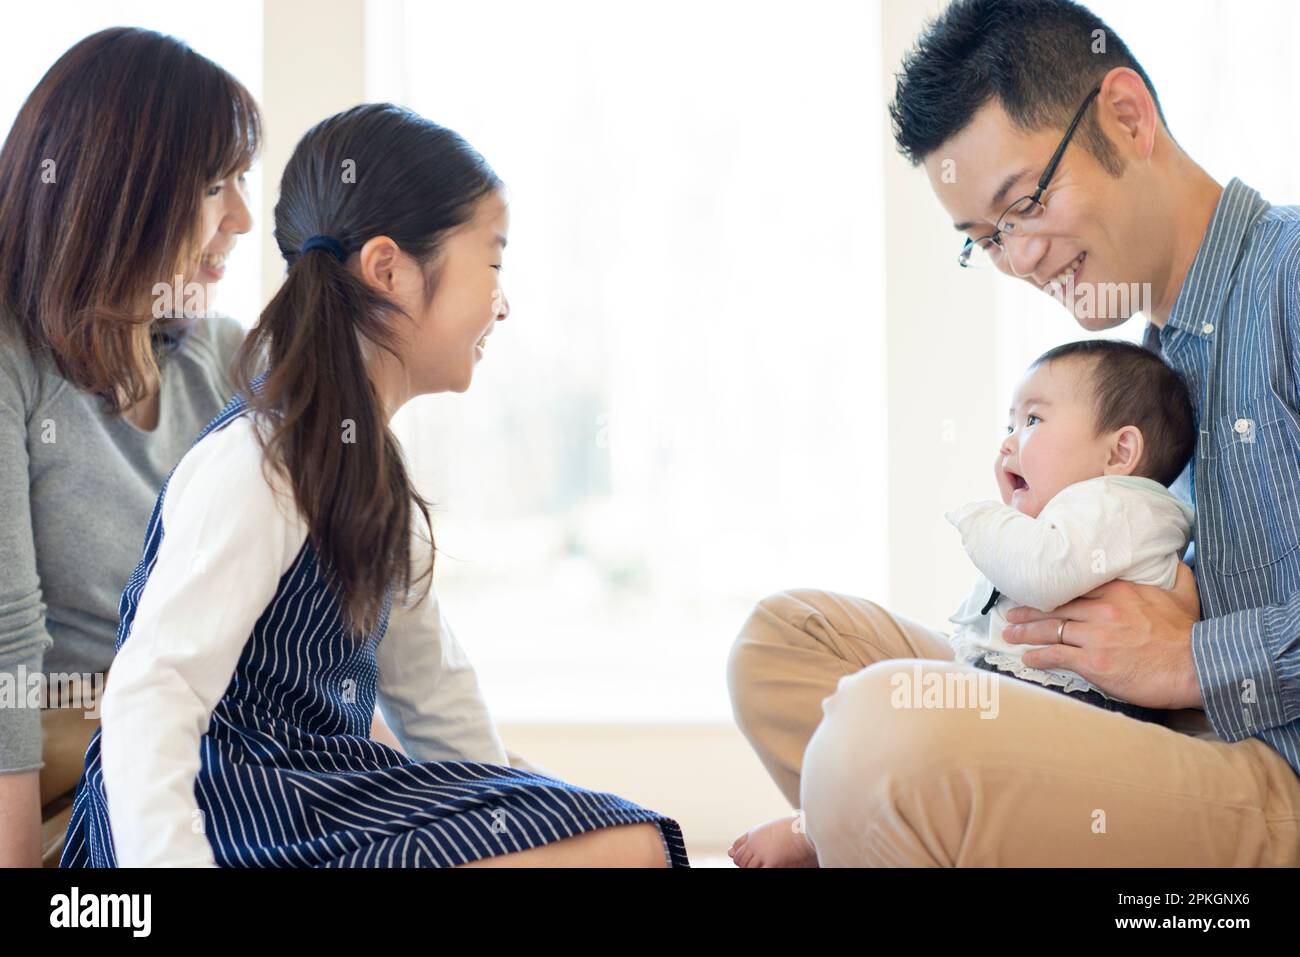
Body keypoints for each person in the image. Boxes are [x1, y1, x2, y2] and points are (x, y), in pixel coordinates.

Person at [728, 0, 1300, 867]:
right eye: (986, 238)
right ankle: (861, 818)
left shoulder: (1289, 276)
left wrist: (1192, 659)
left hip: (1270, 774)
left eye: (1025, 202)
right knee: (786, 644)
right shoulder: (1150, 369)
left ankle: (855, 818)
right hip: (1151, 728)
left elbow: (1177, 655)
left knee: (881, 734)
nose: (1021, 258)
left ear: (1127, 116)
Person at [60, 103, 689, 868]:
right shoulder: (261, 460)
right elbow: (152, 695)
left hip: (322, 797)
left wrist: (528, 816)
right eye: (493, 263)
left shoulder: (371, 469)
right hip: (221, 815)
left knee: (633, 840)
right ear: (388, 268)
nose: (503, 301)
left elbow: (436, 694)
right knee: (623, 847)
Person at [730, 338, 1197, 866]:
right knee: (835, 663)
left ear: (1119, 452)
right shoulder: (1085, 509)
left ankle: (830, 828)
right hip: (1031, 688)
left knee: (908, 719)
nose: (1008, 444)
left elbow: (1044, 573)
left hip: (1084, 709)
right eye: (1009, 425)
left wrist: (981, 517)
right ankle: (850, 819)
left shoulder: (1122, 505)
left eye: (1034, 421)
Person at [0, 27, 258, 867]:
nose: (243, 218)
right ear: (120, 193)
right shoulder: (14, 365)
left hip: (218, 757)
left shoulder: (218, 358)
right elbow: (5, 649)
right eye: (216, 184)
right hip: (70, 782)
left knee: (589, 837)